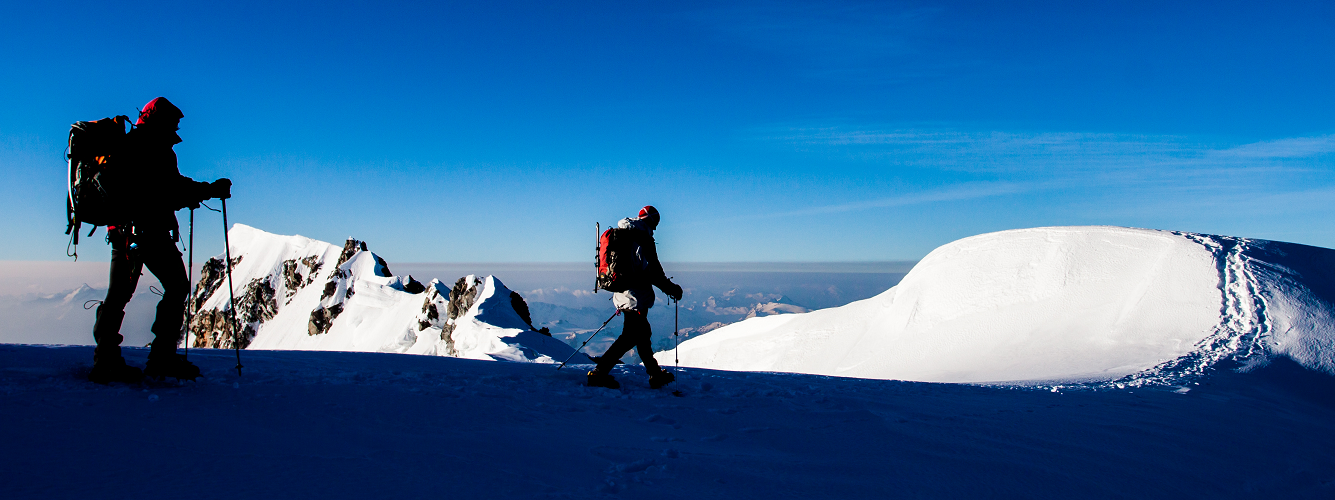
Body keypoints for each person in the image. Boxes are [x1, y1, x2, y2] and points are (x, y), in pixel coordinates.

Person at [87, 97, 232, 384]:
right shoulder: (154, 147)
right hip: (147, 232)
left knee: (119, 294)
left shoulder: (132, 144)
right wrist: (209, 190)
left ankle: (106, 360)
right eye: (173, 122)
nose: (176, 128)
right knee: (176, 286)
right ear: (161, 122)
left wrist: (198, 192)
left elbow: (163, 189)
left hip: (124, 232)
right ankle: (160, 358)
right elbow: (170, 190)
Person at [588, 205, 684, 389]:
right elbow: (654, 272)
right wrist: (672, 289)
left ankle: (655, 374)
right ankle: (599, 373)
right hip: (636, 297)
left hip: (622, 293)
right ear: (653, 222)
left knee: (642, 334)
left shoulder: (621, 234)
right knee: (630, 336)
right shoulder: (643, 239)